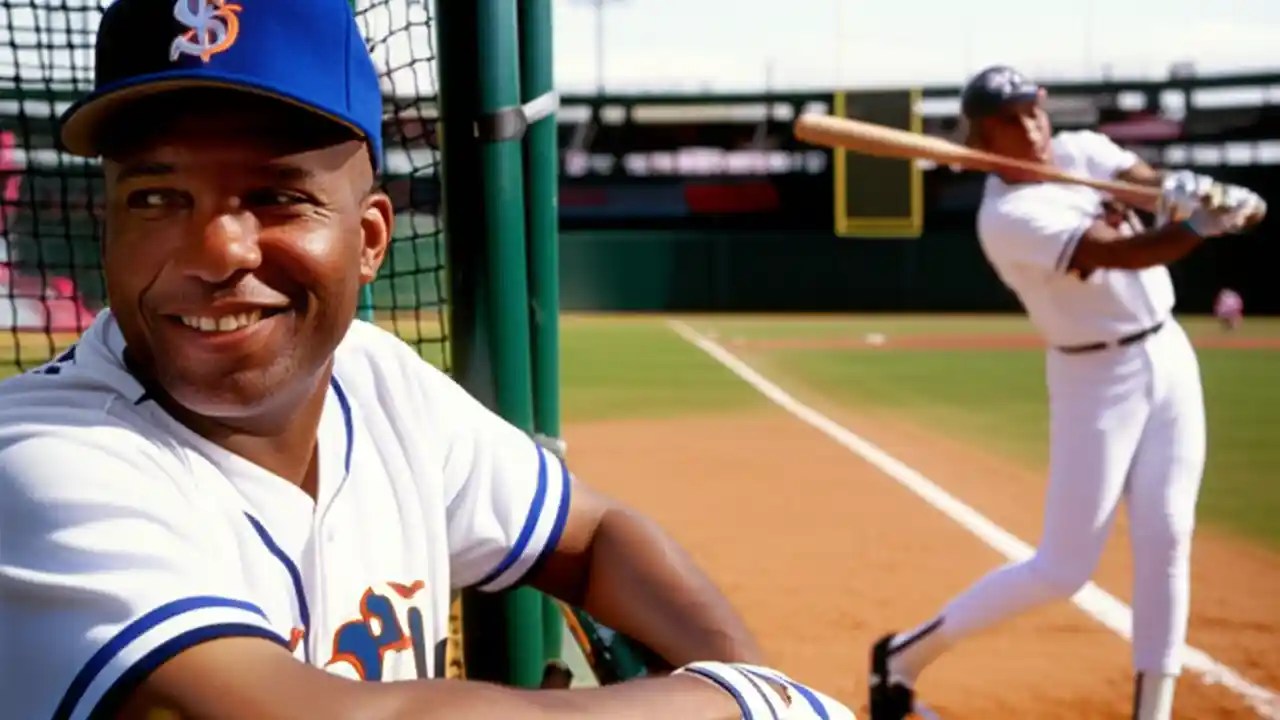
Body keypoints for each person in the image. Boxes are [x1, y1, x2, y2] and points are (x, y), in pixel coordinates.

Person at [0, 1, 858, 718]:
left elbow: (593, 538)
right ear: (106, 225)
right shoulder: (40, 462)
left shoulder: (378, 381)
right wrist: (738, 705)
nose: (217, 247)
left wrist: (746, 673)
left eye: (275, 197)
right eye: (156, 197)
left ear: (369, 239)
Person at [866, 65, 1267, 720]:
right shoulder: (1010, 218)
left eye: (1036, 110)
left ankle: (1152, 712)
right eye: (1014, 120)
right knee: (1062, 568)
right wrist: (1197, 224)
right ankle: (901, 659)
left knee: (1169, 533)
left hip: (1168, 353)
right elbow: (1121, 254)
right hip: (1097, 382)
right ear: (984, 137)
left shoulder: (1079, 150)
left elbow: (1137, 181)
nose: (1034, 127)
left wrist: (1181, 188)